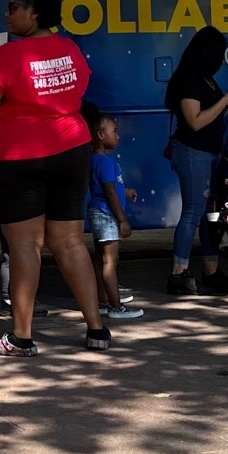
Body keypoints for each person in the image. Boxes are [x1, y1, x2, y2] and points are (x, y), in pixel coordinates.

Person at [0, 0, 110, 356]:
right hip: (71, 150)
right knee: (71, 242)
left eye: (14, 7)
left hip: (17, 157)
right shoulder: (70, 49)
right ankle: (96, 329)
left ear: (34, 14)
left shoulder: (8, 55)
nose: (7, 13)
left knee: (24, 246)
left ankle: (21, 337)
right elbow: (77, 92)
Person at [164, 26, 228, 297]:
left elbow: (210, 116)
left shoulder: (207, 79)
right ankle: (179, 273)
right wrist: (224, 101)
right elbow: (196, 122)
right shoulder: (190, 80)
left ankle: (212, 271)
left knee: (210, 214)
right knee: (192, 212)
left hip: (211, 152)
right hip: (193, 151)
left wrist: (227, 104)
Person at [87, 112, 141, 321]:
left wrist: (126, 192)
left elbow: (110, 188)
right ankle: (116, 306)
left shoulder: (95, 160)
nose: (118, 136)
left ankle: (102, 301)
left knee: (100, 260)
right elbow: (109, 192)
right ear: (101, 135)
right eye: (115, 131)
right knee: (110, 261)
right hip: (107, 215)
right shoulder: (106, 163)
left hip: (97, 212)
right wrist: (122, 219)